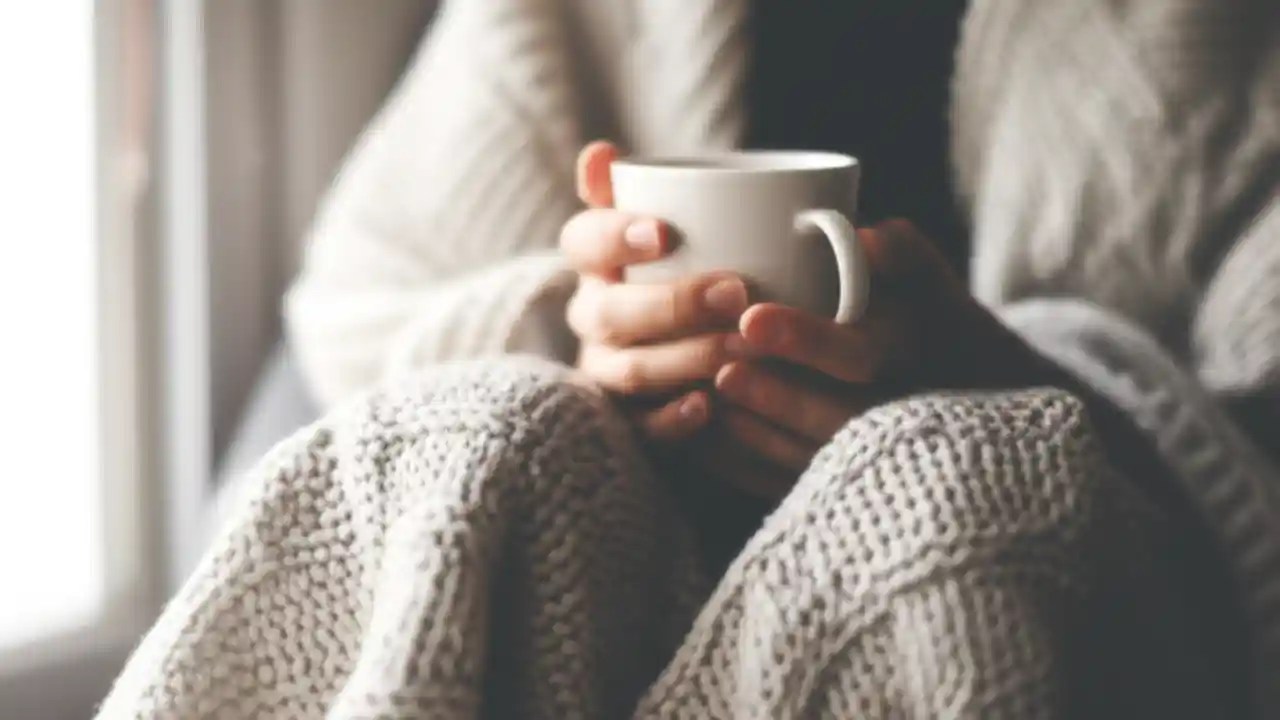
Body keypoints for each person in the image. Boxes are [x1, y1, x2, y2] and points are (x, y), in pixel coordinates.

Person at [101, 2, 1280, 717]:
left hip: (1102, 574)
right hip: (623, 558)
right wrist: (576, 321)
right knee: (479, 437)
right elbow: (365, 292)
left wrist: (1023, 386)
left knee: (948, 470)